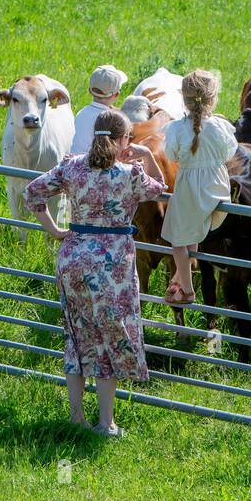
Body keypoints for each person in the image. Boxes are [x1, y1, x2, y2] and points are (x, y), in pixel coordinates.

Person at [24, 109, 165, 437]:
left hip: (72, 258)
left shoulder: (72, 166)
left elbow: (32, 193)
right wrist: (144, 154)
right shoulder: (128, 174)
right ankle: (106, 422)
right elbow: (159, 188)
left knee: (76, 337)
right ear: (122, 140)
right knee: (110, 341)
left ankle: (76, 418)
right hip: (111, 267)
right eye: (129, 138)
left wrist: (55, 230)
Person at [161, 69, 237, 305]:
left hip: (189, 190)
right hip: (217, 190)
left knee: (177, 242)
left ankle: (188, 289)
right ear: (213, 98)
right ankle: (179, 277)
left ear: (183, 99)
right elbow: (230, 153)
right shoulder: (221, 127)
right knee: (190, 234)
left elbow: (171, 156)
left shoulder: (176, 129)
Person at [70, 64, 128, 156]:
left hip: (73, 164)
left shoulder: (81, 112)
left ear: (90, 90)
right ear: (116, 94)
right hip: (93, 165)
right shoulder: (112, 120)